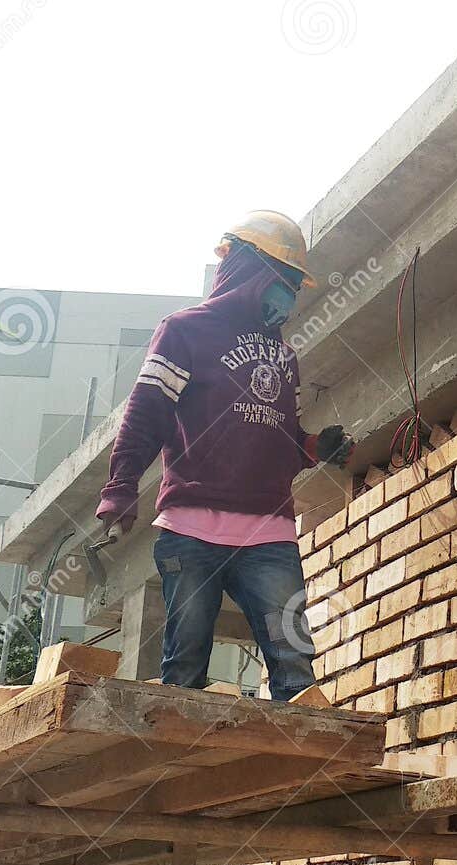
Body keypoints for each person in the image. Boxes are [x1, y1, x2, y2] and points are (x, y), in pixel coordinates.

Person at [96, 210, 353, 701]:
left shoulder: (285, 357)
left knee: (294, 663)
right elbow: (147, 414)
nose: (289, 296)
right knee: (186, 663)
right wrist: (120, 487)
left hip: (269, 532)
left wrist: (316, 448)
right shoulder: (185, 331)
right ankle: (177, 750)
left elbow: (282, 438)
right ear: (246, 269)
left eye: (295, 287)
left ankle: (297, 749)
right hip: (192, 528)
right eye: (283, 280)